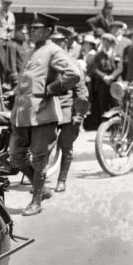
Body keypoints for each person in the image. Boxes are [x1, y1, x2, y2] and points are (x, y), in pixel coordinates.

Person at [9, 12, 80, 216]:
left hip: (43, 114)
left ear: (48, 31)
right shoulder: (32, 51)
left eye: (36, 28)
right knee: (16, 156)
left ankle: (36, 200)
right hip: (22, 115)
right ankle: (41, 188)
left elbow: (73, 74)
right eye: (31, 28)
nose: (31, 31)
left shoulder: (53, 50)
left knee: (39, 159)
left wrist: (53, 89)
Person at [50, 31, 90, 193]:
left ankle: (62, 180)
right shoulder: (47, 63)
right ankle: (39, 180)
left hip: (67, 113)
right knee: (43, 148)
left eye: (59, 42)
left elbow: (82, 92)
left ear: (65, 44)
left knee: (66, 147)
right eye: (53, 42)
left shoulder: (73, 63)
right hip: (49, 112)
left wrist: (79, 115)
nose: (56, 46)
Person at [85, 33, 123, 130]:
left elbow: (119, 68)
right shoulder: (99, 55)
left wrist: (112, 76)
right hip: (103, 83)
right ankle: (104, 126)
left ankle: (117, 126)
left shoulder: (116, 53)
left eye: (106, 41)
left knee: (116, 103)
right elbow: (95, 69)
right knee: (103, 104)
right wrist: (104, 77)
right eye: (103, 41)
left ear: (111, 43)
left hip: (115, 83)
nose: (104, 44)